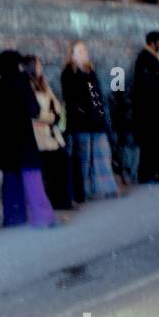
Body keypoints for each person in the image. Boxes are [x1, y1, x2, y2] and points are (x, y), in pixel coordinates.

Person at [0, 51, 57, 228]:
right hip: (22, 135)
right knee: (32, 176)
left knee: (10, 179)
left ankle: (13, 218)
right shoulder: (21, 82)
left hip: (3, 138)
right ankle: (42, 217)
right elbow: (33, 109)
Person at [60, 40, 119, 201]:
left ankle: (106, 188)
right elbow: (71, 99)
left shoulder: (89, 72)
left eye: (85, 50)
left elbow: (95, 95)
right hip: (80, 122)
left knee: (102, 154)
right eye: (80, 51)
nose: (85, 53)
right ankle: (84, 191)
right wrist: (85, 111)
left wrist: (99, 113)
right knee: (84, 159)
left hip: (96, 121)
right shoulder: (68, 73)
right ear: (72, 55)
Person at [29, 56, 73, 210]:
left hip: (52, 131)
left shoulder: (43, 84)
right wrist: (50, 117)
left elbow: (54, 102)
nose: (41, 67)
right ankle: (54, 203)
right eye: (38, 65)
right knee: (50, 170)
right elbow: (34, 112)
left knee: (61, 166)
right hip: (40, 134)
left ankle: (63, 201)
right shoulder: (29, 86)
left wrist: (56, 115)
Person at [131, 31, 159, 183]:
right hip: (149, 109)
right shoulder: (144, 58)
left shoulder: (153, 57)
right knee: (151, 142)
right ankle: (150, 173)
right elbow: (147, 84)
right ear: (153, 43)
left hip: (156, 108)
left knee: (158, 141)